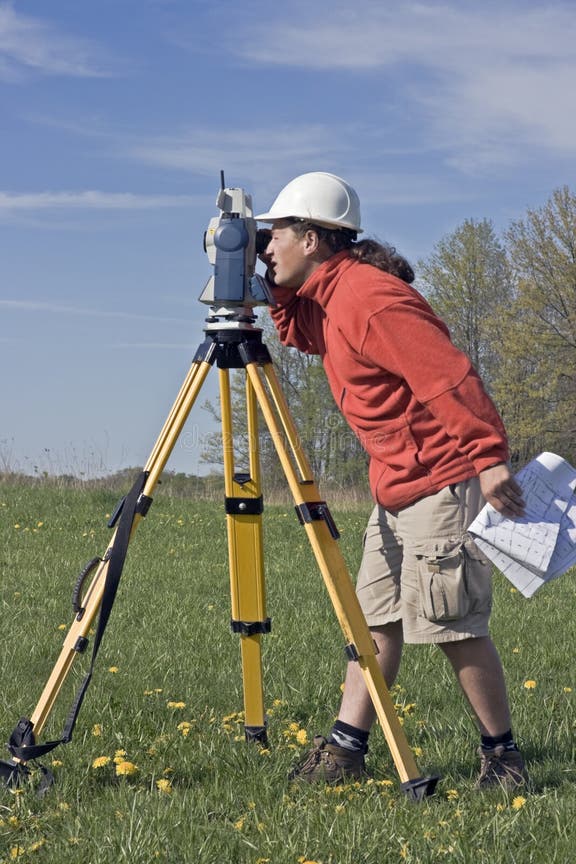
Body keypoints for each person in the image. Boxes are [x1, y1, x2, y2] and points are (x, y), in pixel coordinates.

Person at [255, 172, 528, 790]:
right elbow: (301, 335)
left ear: (313, 238)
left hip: (440, 480)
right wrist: (272, 290)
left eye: (275, 235)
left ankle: (504, 757)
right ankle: (346, 750)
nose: (267, 247)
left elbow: (446, 376)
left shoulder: (370, 298)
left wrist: (489, 459)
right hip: (396, 486)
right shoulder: (329, 298)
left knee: (453, 625)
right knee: (373, 621)